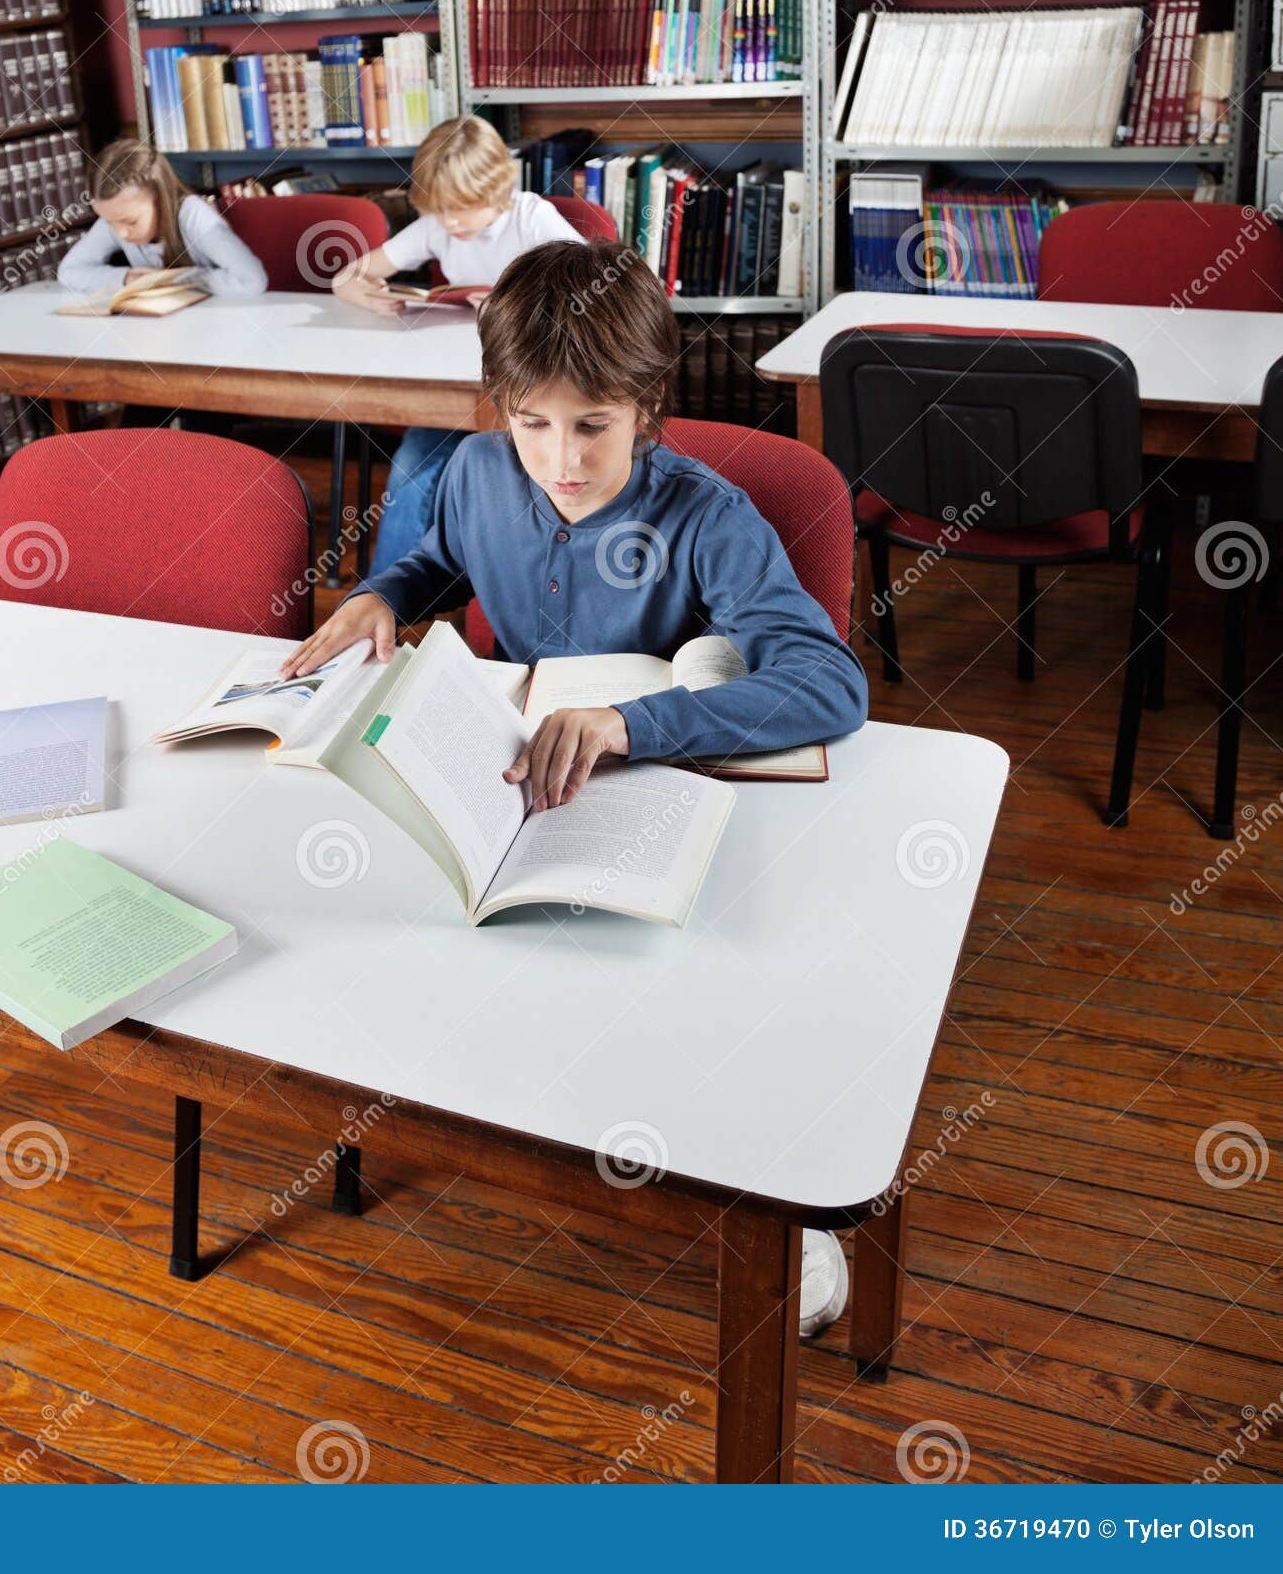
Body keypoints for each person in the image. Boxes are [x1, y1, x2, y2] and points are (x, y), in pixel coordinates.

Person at [286, 238, 868, 1338]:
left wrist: (629, 725)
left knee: (720, 980)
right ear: (500, 405)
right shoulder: (473, 472)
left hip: (659, 799)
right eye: (532, 422)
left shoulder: (709, 517)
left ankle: (788, 1203)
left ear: (649, 407)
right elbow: (434, 560)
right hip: (514, 788)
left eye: (592, 426)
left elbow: (830, 685)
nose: (560, 458)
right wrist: (378, 592)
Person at [332, 116, 585, 573]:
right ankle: (383, 599)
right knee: (413, 463)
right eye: (440, 208)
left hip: (537, 385)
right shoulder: (438, 225)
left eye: (462, 207)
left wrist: (512, 307)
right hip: (460, 380)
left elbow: (589, 294)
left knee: (483, 470)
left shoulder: (531, 217)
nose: (449, 221)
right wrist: (353, 288)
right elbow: (348, 274)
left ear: (495, 188)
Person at [58, 139, 268, 299]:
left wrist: (172, 281)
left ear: (158, 200)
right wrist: (126, 278)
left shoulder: (193, 215)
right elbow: (68, 271)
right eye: (110, 222)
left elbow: (253, 280)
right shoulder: (116, 217)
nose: (120, 233)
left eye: (131, 222)